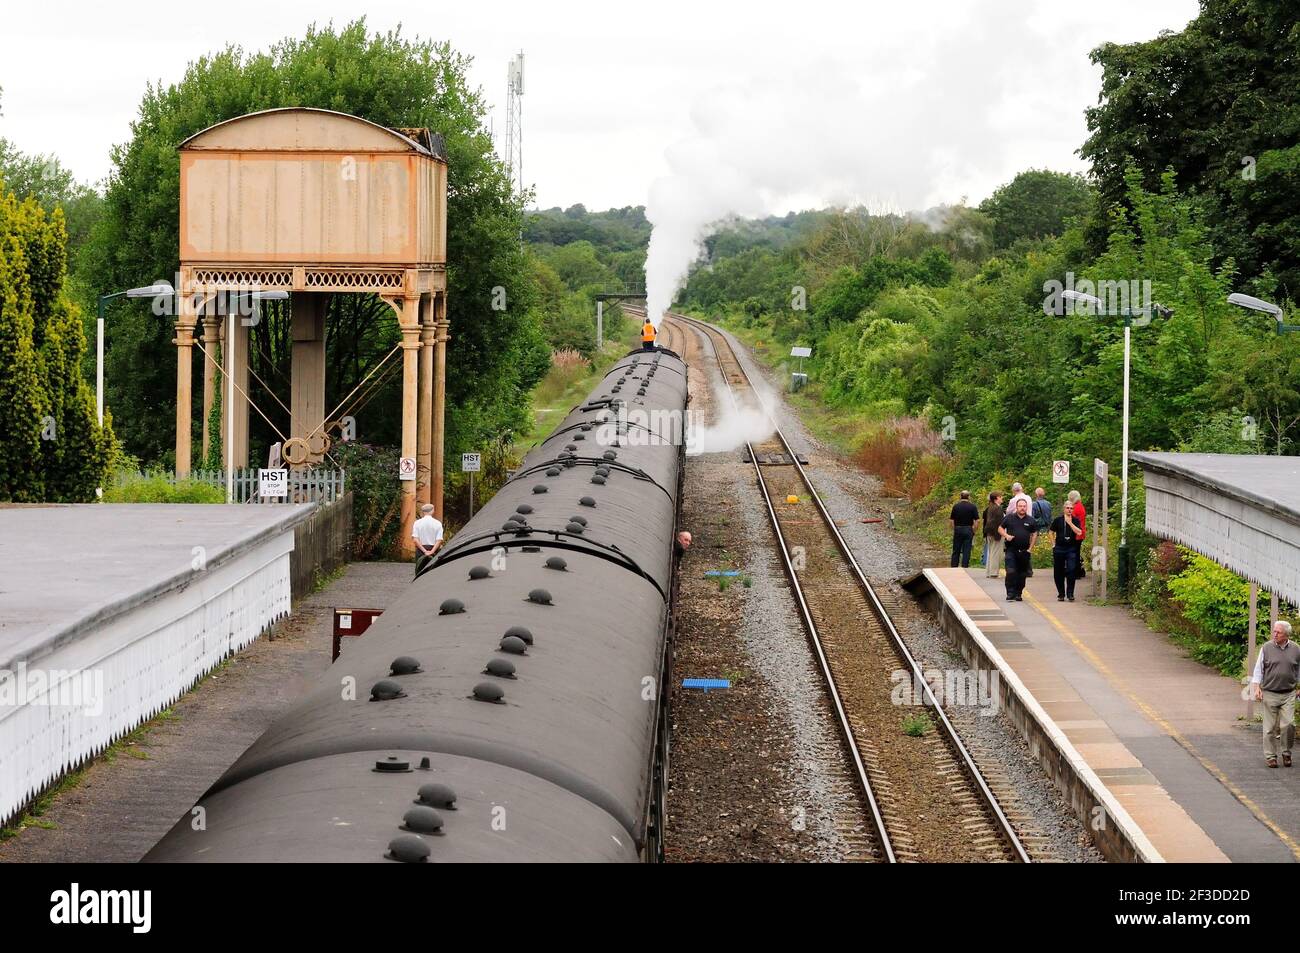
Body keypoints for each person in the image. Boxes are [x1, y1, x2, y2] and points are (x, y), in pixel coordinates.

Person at [1252, 620, 1300, 768]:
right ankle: (1271, 756)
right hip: (1270, 692)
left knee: (1289, 724)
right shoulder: (1266, 648)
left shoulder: (1296, 649)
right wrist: (1256, 687)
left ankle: (1286, 753)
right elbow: (1258, 669)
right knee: (1269, 728)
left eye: (1278, 632)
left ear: (1286, 635)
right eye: (1274, 631)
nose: (1274, 634)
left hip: (1289, 693)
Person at [998, 497, 1037, 601]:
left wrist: (1030, 548)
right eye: (1020, 506)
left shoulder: (1030, 520)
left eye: (1024, 506)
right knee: (1011, 571)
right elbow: (1000, 528)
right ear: (1016, 507)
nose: (1022, 508)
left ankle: (1018, 593)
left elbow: (1034, 534)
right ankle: (1010, 592)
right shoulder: (1009, 518)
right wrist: (1006, 535)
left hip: (1024, 551)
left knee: (1022, 574)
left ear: (1026, 507)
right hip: (1011, 549)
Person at [1049, 502, 1081, 602]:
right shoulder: (1058, 520)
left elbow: (1079, 532)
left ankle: (1070, 593)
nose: (1069, 510)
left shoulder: (1075, 520)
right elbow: (1050, 532)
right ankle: (1061, 593)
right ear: (1064, 509)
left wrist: (1070, 523)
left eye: (1071, 508)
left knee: (1071, 570)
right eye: (1067, 508)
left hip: (1071, 548)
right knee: (1058, 571)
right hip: (1059, 548)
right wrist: (1053, 544)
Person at [949, 490, 979, 568]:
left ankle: (954, 567)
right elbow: (977, 520)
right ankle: (965, 567)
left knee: (956, 549)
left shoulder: (956, 506)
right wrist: (973, 530)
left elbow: (951, 520)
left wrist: (954, 529)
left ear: (960, 496)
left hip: (958, 529)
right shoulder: (972, 507)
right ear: (968, 497)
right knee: (967, 550)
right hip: (968, 529)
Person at [412, 503, 444, 574]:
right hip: (434, 549)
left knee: (419, 571)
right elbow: (439, 540)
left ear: (423, 512)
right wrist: (432, 551)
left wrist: (424, 551)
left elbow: (415, 540)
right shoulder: (437, 523)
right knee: (433, 572)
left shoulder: (417, 523)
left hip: (420, 550)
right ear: (432, 511)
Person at [982, 492, 1005, 578]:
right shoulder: (998, 509)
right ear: (996, 498)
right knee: (996, 553)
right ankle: (994, 572)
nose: (1002, 498)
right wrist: (998, 535)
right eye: (1000, 497)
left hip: (989, 532)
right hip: (996, 533)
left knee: (991, 552)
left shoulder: (990, 507)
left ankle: (989, 572)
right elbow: (998, 523)